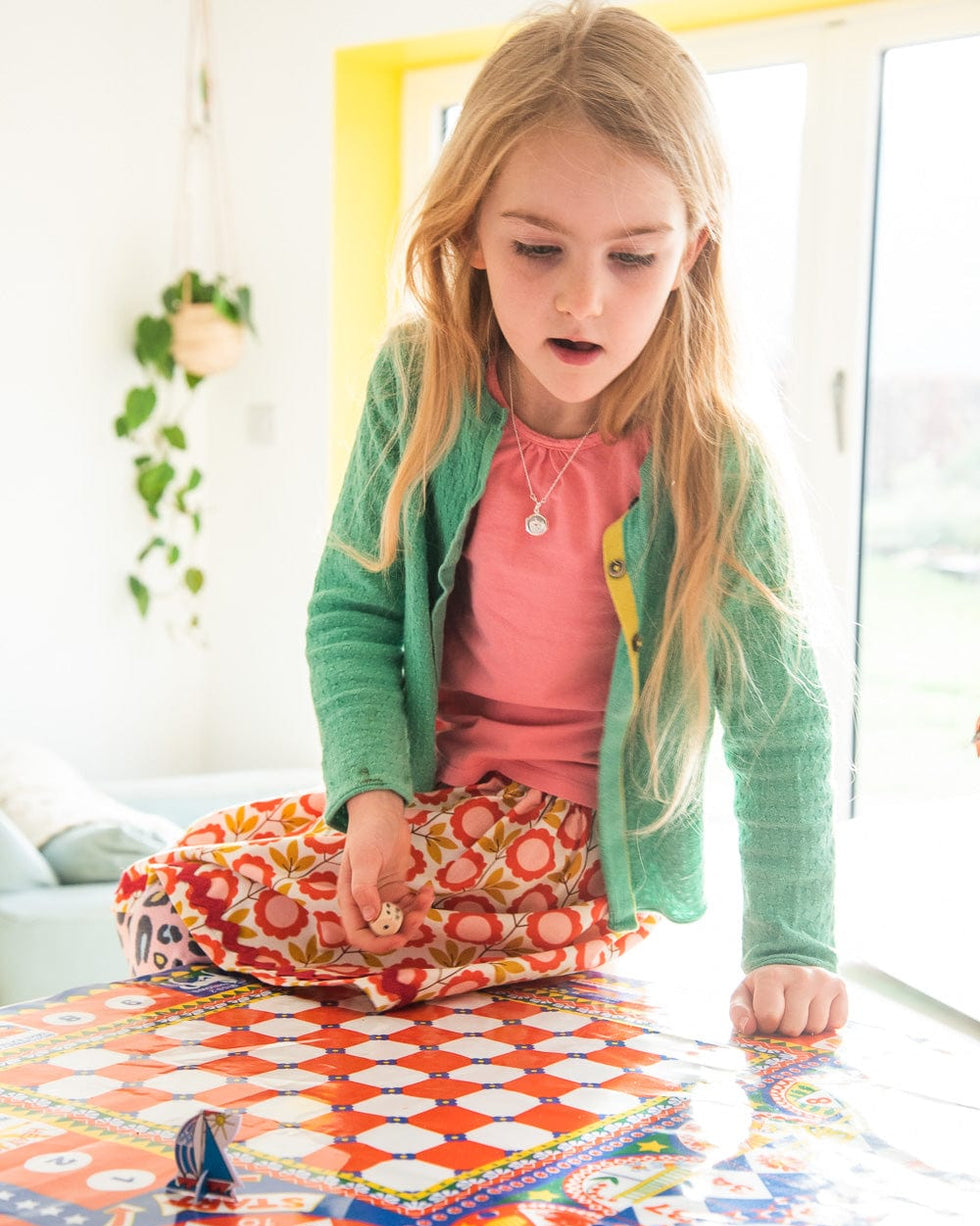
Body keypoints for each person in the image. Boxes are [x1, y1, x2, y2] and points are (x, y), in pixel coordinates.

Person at [116, 0, 847, 1038]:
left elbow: (783, 716)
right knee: (166, 886)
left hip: (573, 851)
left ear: (690, 251)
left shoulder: (708, 448)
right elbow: (350, 616)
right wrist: (371, 799)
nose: (581, 302)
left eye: (631, 258)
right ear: (466, 234)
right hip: (431, 813)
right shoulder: (419, 382)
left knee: (168, 902)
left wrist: (790, 946)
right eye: (538, 249)